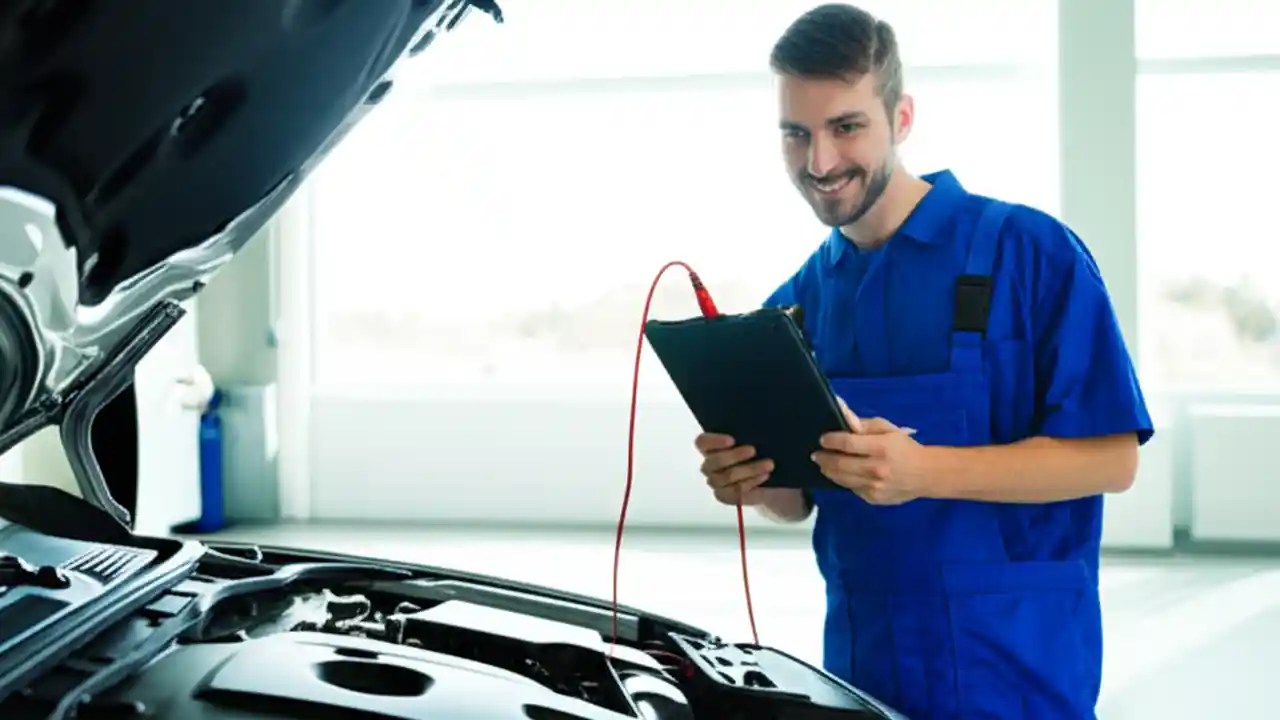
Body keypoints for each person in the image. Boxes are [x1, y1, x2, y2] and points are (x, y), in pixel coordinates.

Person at [694, 4, 1153, 719]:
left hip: (1015, 673)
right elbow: (797, 499)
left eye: (846, 127)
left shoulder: (1030, 252)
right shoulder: (798, 303)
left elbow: (1111, 459)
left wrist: (924, 471)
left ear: (901, 118)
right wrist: (751, 480)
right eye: (796, 134)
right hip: (863, 669)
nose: (820, 163)